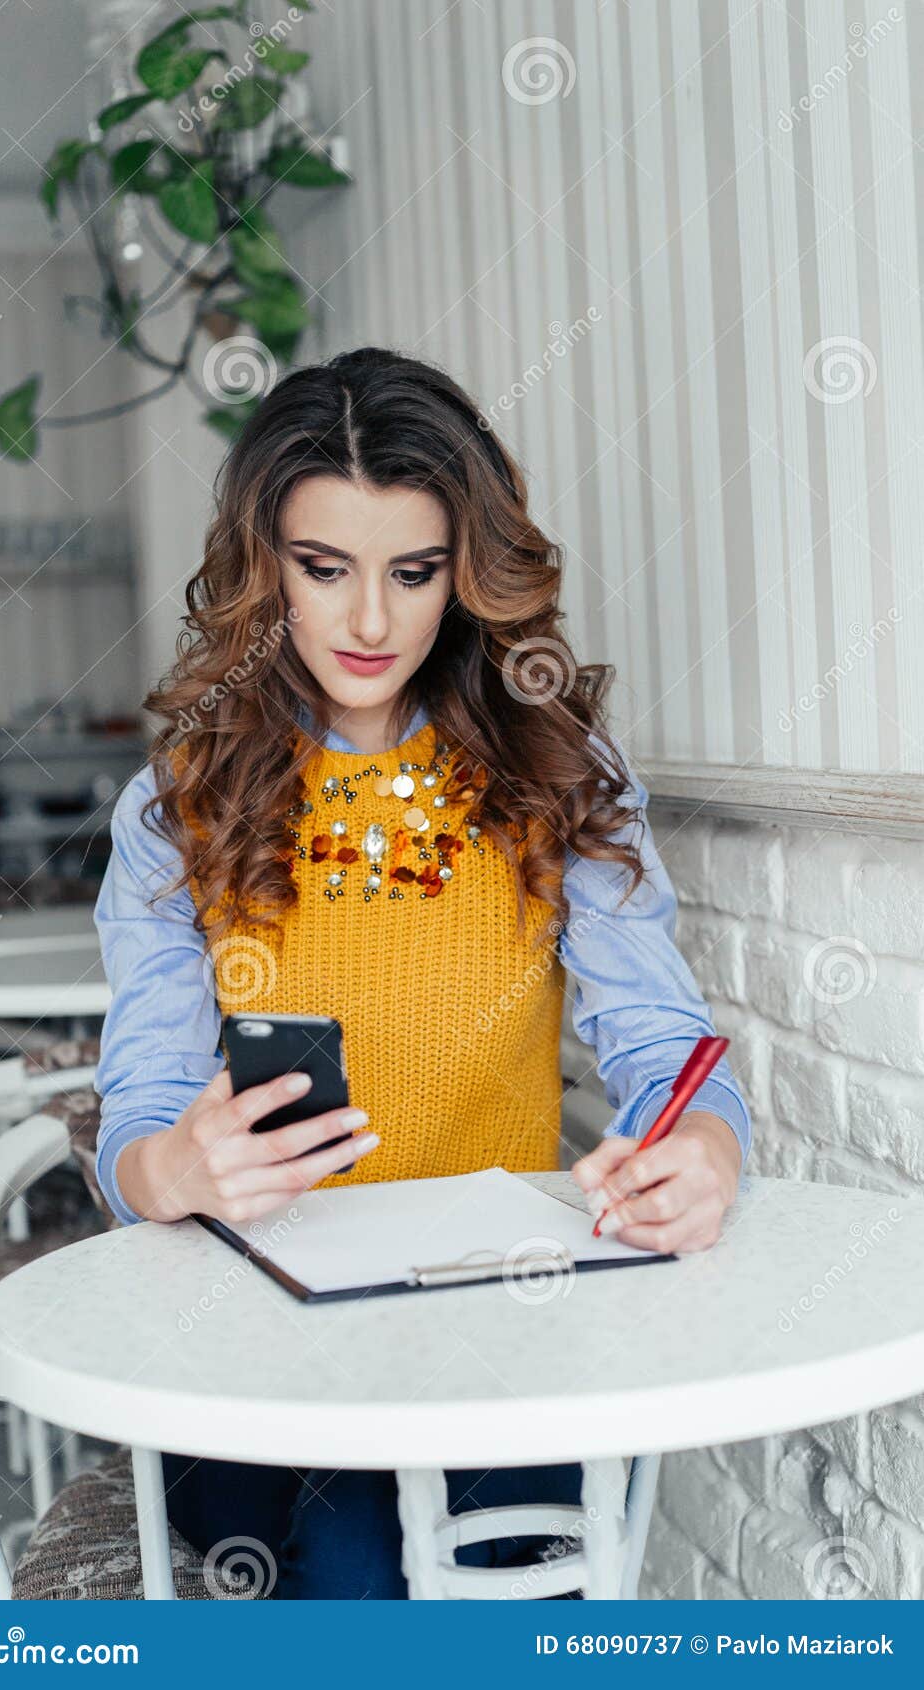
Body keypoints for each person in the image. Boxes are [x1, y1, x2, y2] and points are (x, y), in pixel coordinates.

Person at [93, 346, 751, 1598]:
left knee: (426, 1569)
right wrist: (170, 1165)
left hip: (492, 1326)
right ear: (261, 566)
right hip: (255, 1334)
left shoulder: (560, 776)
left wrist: (703, 1149)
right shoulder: (171, 810)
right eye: (322, 570)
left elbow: (667, 1049)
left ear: (468, 571)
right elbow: (137, 1117)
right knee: (348, 1558)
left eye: (414, 572)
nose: (370, 623)